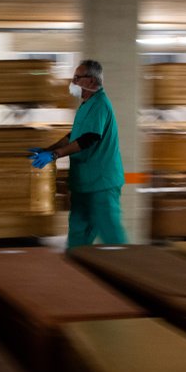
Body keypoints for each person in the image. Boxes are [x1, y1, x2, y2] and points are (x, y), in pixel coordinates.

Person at [29, 59, 127, 249]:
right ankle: (76, 268)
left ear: (91, 81)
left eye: (77, 78)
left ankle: (130, 270)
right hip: (83, 183)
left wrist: (55, 155)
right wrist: (48, 150)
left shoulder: (100, 104)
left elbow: (88, 139)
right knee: (77, 235)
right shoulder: (86, 105)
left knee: (112, 235)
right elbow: (72, 136)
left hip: (101, 184)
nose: (72, 82)